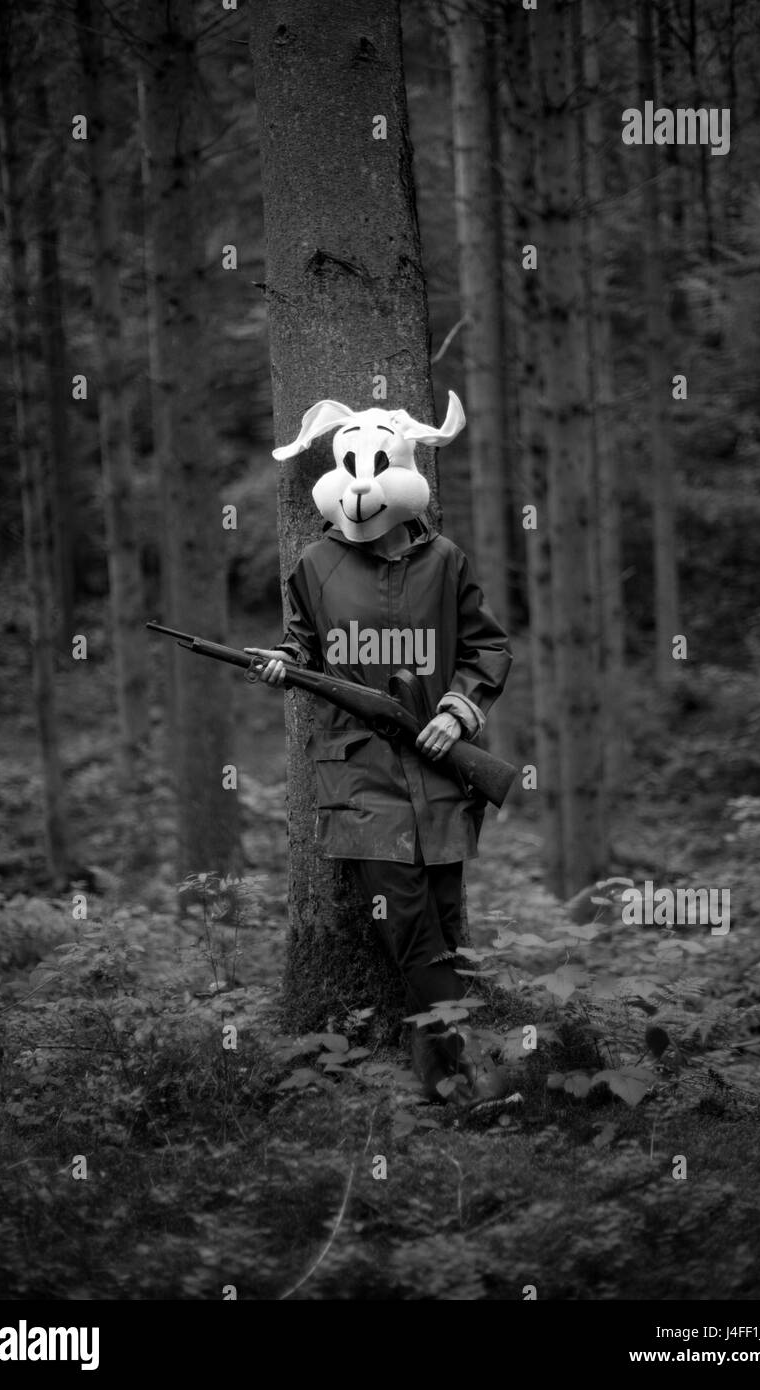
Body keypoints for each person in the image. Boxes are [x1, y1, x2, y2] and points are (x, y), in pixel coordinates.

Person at [247, 391, 512, 1101]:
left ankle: (443, 1083)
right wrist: (280, 665)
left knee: (447, 929)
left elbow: (488, 646)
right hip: (360, 782)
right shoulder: (314, 565)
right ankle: (470, 1073)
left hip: (443, 777)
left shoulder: (448, 561)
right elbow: (299, 646)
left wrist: (458, 714)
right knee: (409, 931)